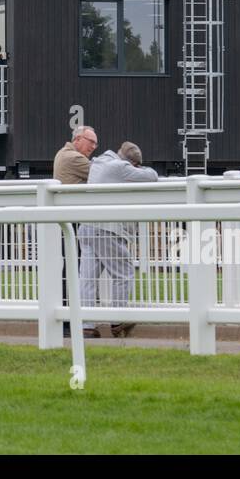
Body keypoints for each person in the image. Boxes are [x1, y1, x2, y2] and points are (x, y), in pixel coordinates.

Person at [82, 141, 158, 338]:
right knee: (123, 273)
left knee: (88, 279)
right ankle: (117, 320)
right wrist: (139, 170)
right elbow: (152, 176)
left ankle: (87, 326)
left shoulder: (98, 163)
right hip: (107, 228)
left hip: (87, 226)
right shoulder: (120, 167)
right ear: (132, 163)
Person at [53, 125, 98, 337]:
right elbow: (102, 175)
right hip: (73, 222)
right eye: (91, 142)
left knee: (71, 268)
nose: (94, 147)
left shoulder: (62, 154)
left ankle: (68, 319)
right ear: (79, 139)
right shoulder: (75, 159)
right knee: (76, 269)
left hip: (66, 221)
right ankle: (72, 320)